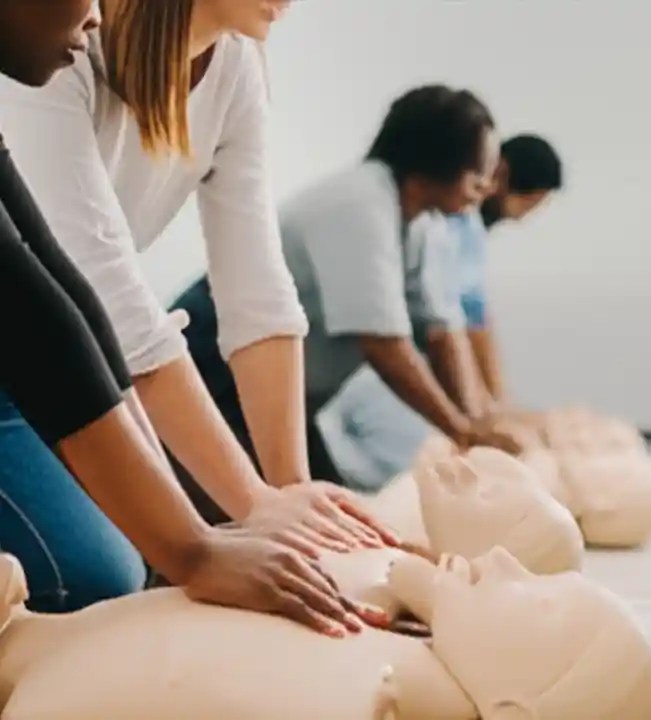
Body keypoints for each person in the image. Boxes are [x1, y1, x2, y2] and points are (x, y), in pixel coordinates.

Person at [0, 0, 389, 634]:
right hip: (20, 367)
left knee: (137, 557)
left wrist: (281, 495)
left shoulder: (234, 68)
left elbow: (74, 300)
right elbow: (71, 305)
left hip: (47, 356)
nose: (98, 14)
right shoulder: (52, 60)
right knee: (99, 578)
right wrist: (199, 541)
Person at [171, 85, 519, 503]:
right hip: (211, 367)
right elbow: (384, 346)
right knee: (258, 524)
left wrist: (478, 422)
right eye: (479, 170)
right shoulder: (359, 206)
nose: (486, 186)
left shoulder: (424, 224)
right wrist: (461, 430)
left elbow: (442, 331)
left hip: (282, 399)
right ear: (440, 159)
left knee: (333, 517)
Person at [316, 134, 564, 489]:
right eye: (532, 203)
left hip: (389, 362)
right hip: (370, 371)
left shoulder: (463, 229)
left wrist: (492, 406)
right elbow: (450, 329)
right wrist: (476, 417)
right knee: (406, 462)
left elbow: (473, 320)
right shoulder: (440, 223)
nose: (526, 218)